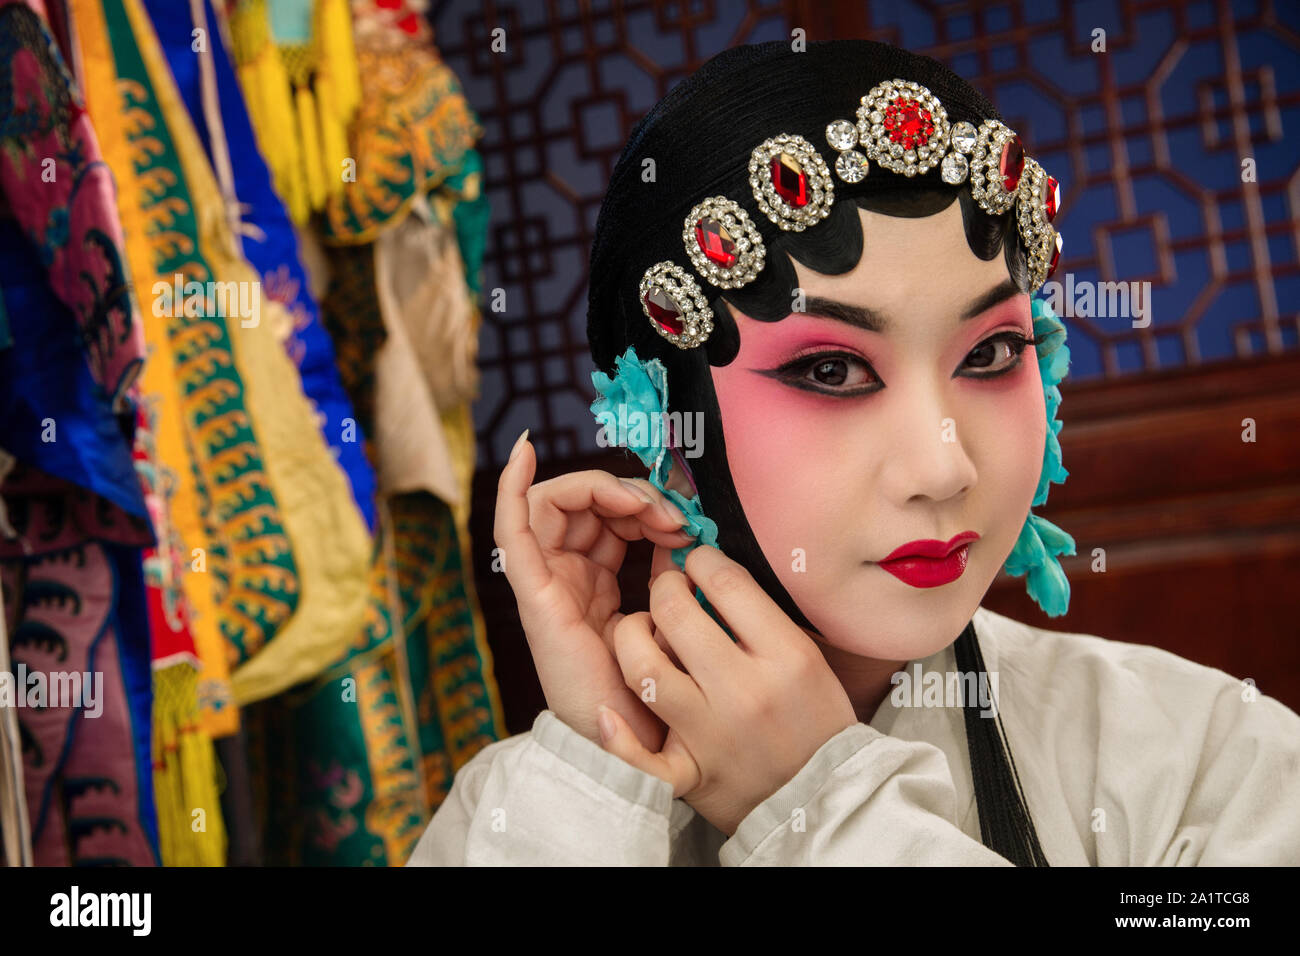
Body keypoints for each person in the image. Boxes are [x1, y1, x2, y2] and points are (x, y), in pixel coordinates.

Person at [407, 39, 1300, 866]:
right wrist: (601, 761)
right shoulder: (517, 815)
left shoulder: (1209, 761)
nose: (943, 469)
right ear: (661, 426)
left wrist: (820, 803)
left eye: (989, 354)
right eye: (831, 368)